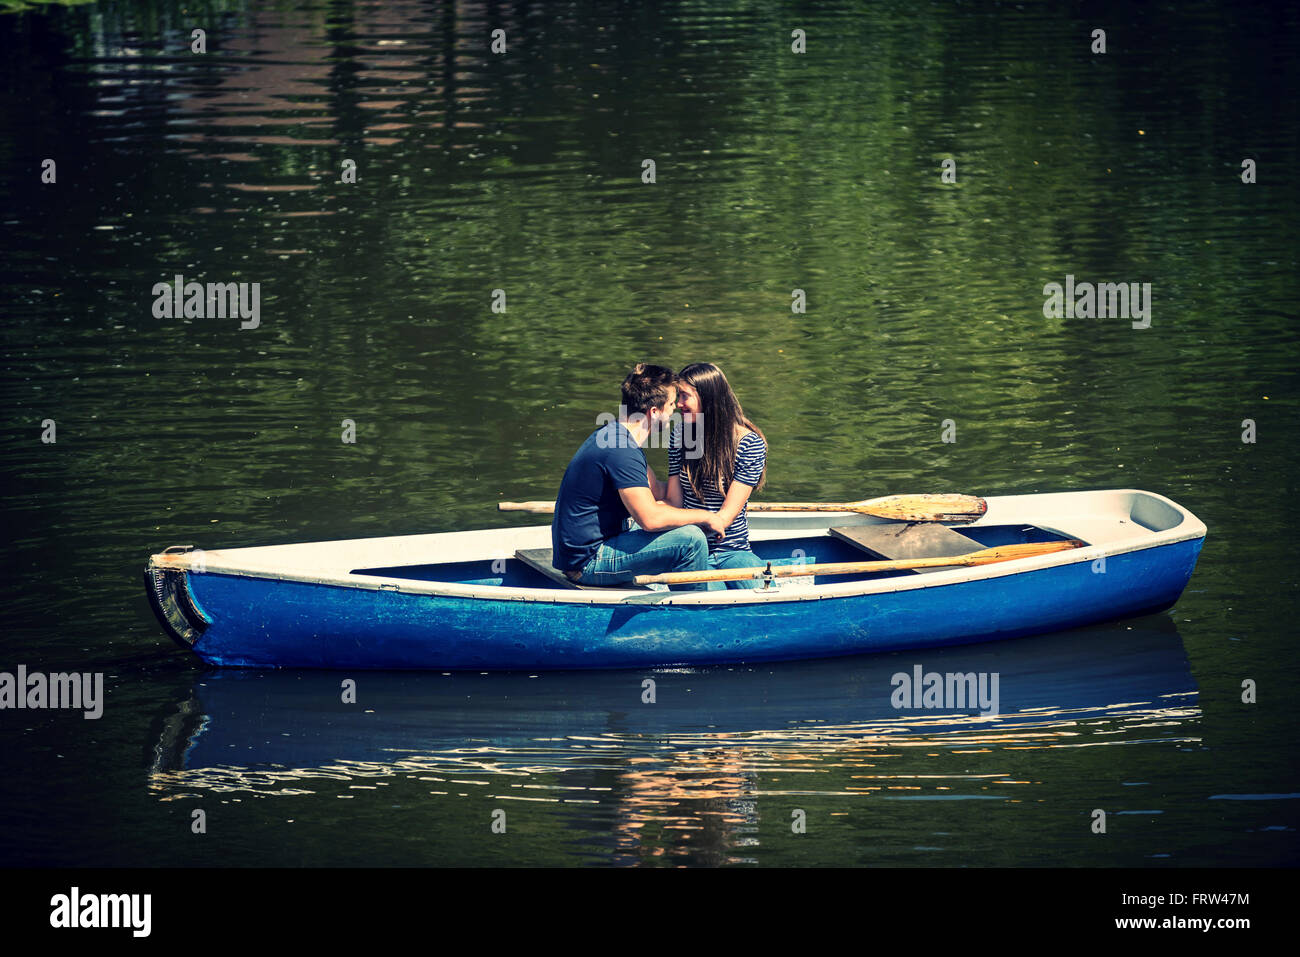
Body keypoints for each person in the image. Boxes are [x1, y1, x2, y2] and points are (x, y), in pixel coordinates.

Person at [551, 363, 729, 590]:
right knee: (691, 539)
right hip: (587, 563)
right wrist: (706, 516)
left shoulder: (614, 435)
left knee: (674, 526)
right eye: (671, 404)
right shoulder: (622, 450)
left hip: (589, 551)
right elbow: (650, 519)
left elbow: (659, 493)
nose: (675, 410)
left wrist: (699, 488)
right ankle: (692, 608)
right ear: (654, 412)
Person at [665, 362, 769, 590]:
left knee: (764, 592)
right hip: (692, 551)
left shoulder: (748, 443)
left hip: (733, 551)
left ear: (708, 398)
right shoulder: (680, 433)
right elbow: (674, 501)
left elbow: (725, 517)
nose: (678, 404)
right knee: (712, 598)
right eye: (678, 396)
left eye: (684, 396)